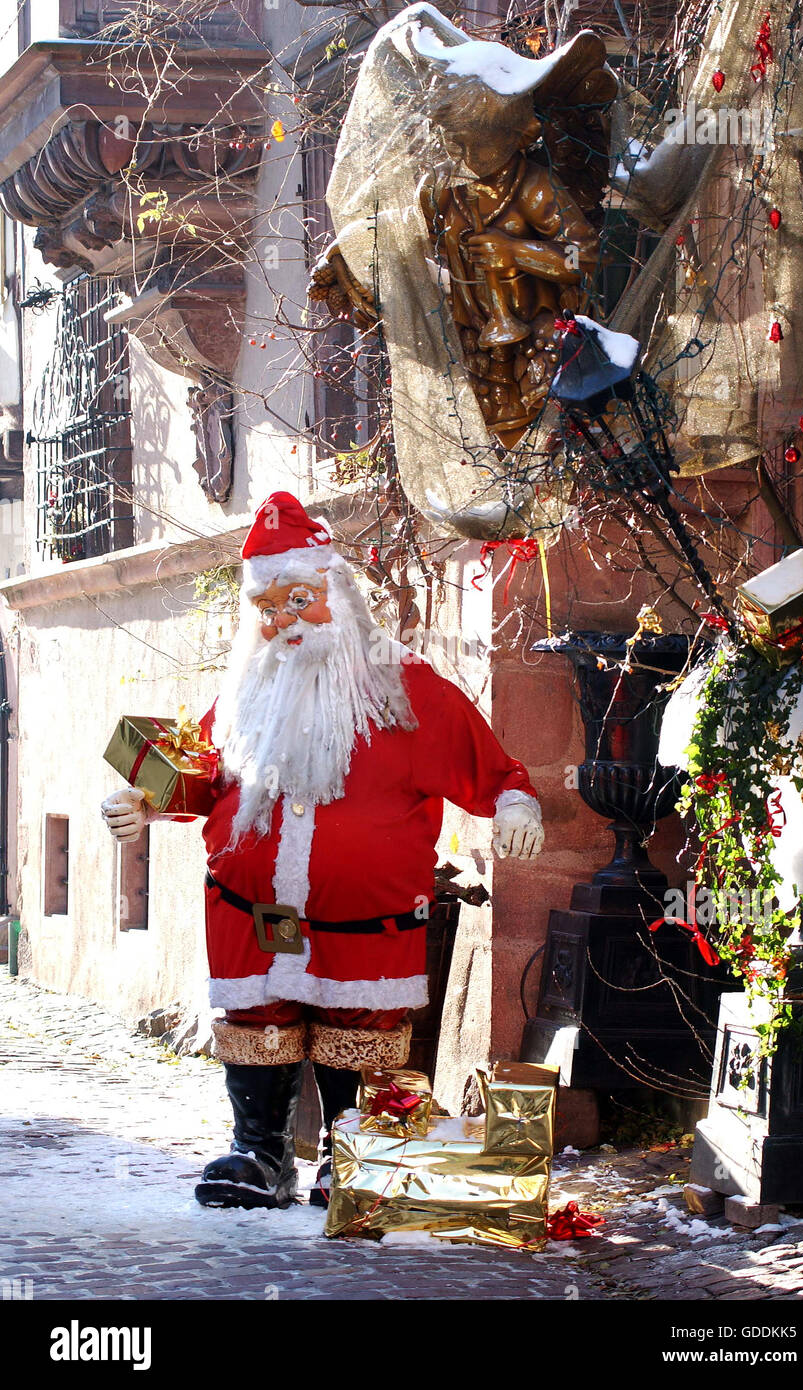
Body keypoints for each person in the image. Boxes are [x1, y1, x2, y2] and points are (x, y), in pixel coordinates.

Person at [101, 491, 544, 1210]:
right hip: (253, 912)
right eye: (266, 608)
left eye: (297, 599)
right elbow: (204, 774)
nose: (282, 620)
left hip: (365, 922)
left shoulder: (405, 688)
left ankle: (351, 1154)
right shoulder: (246, 689)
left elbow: (485, 764)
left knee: (356, 1024)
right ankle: (261, 1154)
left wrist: (514, 801)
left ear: (336, 593)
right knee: (258, 1020)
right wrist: (144, 801)